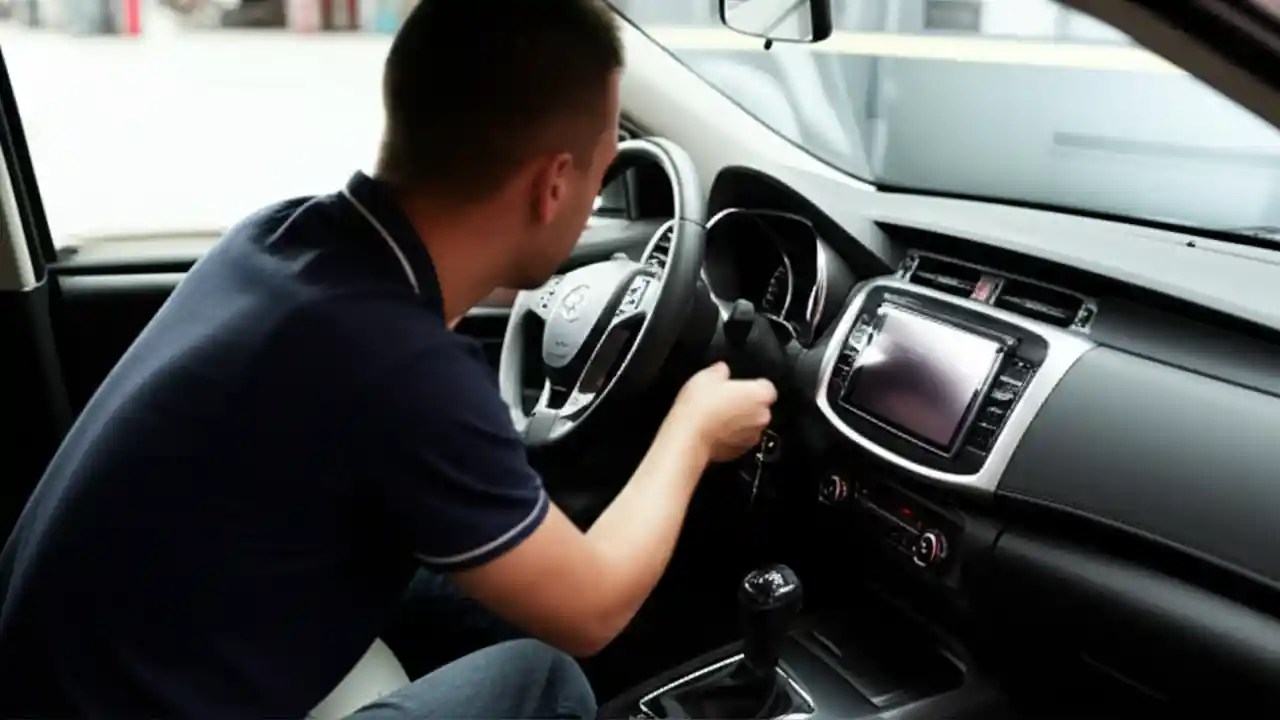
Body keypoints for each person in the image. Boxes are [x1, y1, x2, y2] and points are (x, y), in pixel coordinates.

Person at [0, 1, 778, 718]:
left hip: (66, 679)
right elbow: (593, 611)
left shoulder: (283, 238)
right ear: (553, 184)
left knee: (471, 587)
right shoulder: (401, 370)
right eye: (604, 165)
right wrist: (695, 431)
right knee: (545, 678)